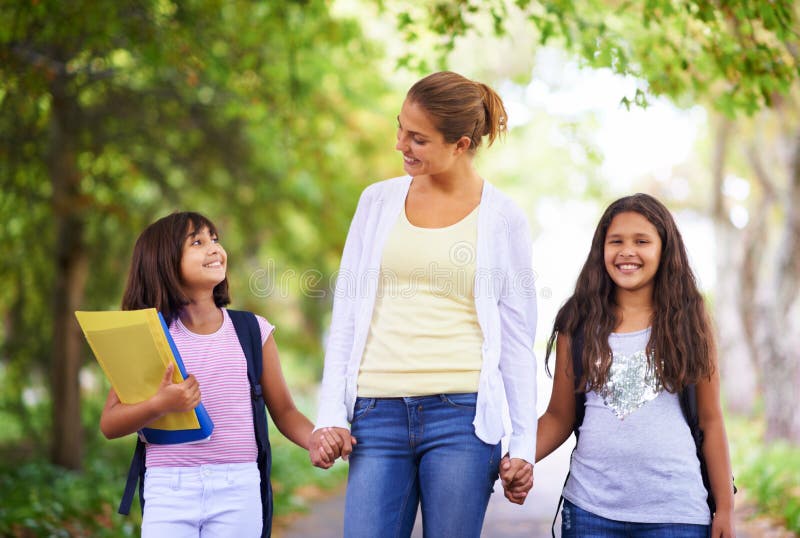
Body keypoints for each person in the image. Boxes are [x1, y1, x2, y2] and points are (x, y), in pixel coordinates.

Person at [308, 71, 538, 538]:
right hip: (377, 413)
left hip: (463, 418)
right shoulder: (376, 202)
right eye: (400, 128)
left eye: (417, 138)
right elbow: (347, 317)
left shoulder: (503, 218)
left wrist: (523, 445)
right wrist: (331, 415)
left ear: (460, 144)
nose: (400, 145)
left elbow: (517, 338)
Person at [502, 194, 736, 537]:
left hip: (677, 513)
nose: (627, 251)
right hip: (589, 513)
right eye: (616, 242)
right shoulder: (578, 321)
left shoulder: (689, 320)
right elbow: (559, 416)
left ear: (664, 249)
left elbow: (711, 421)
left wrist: (726, 510)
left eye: (641, 241)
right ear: (602, 250)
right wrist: (520, 457)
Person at [99, 211, 343, 537]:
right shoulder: (149, 338)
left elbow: (284, 411)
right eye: (197, 242)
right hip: (169, 487)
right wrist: (159, 403)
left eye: (214, 239)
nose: (214, 248)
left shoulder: (252, 331)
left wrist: (315, 440)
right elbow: (110, 423)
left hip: (238, 487)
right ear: (164, 262)